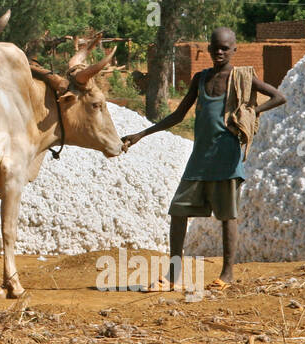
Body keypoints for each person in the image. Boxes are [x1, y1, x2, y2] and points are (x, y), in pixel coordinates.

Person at [121, 27, 285, 291]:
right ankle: (173, 276)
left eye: (225, 48)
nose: (219, 52)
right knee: (178, 210)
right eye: (215, 47)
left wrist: (253, 111)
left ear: (234, 50)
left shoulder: (241, 76)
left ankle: (227, 275)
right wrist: (142, 133)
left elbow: (279, 96)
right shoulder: (200, 79)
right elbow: (177, 115)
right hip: (199, 159)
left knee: (227, 216)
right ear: (208, 49)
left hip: (227, 158)